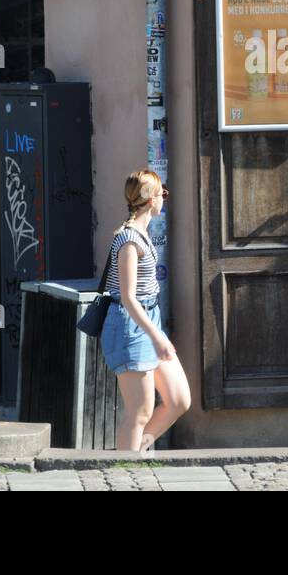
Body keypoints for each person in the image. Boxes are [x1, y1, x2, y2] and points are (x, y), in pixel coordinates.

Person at [100, 168, 191, 452]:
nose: (165, 198)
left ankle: (134, 455)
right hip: (129, 327)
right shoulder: (128, 240)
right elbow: (127, 298)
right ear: (152, 199)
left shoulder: (141, 234)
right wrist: (158, 337)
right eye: (162, 193)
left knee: (178, 400)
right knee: (140, 412)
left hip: (148, 321)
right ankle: (123, 470)